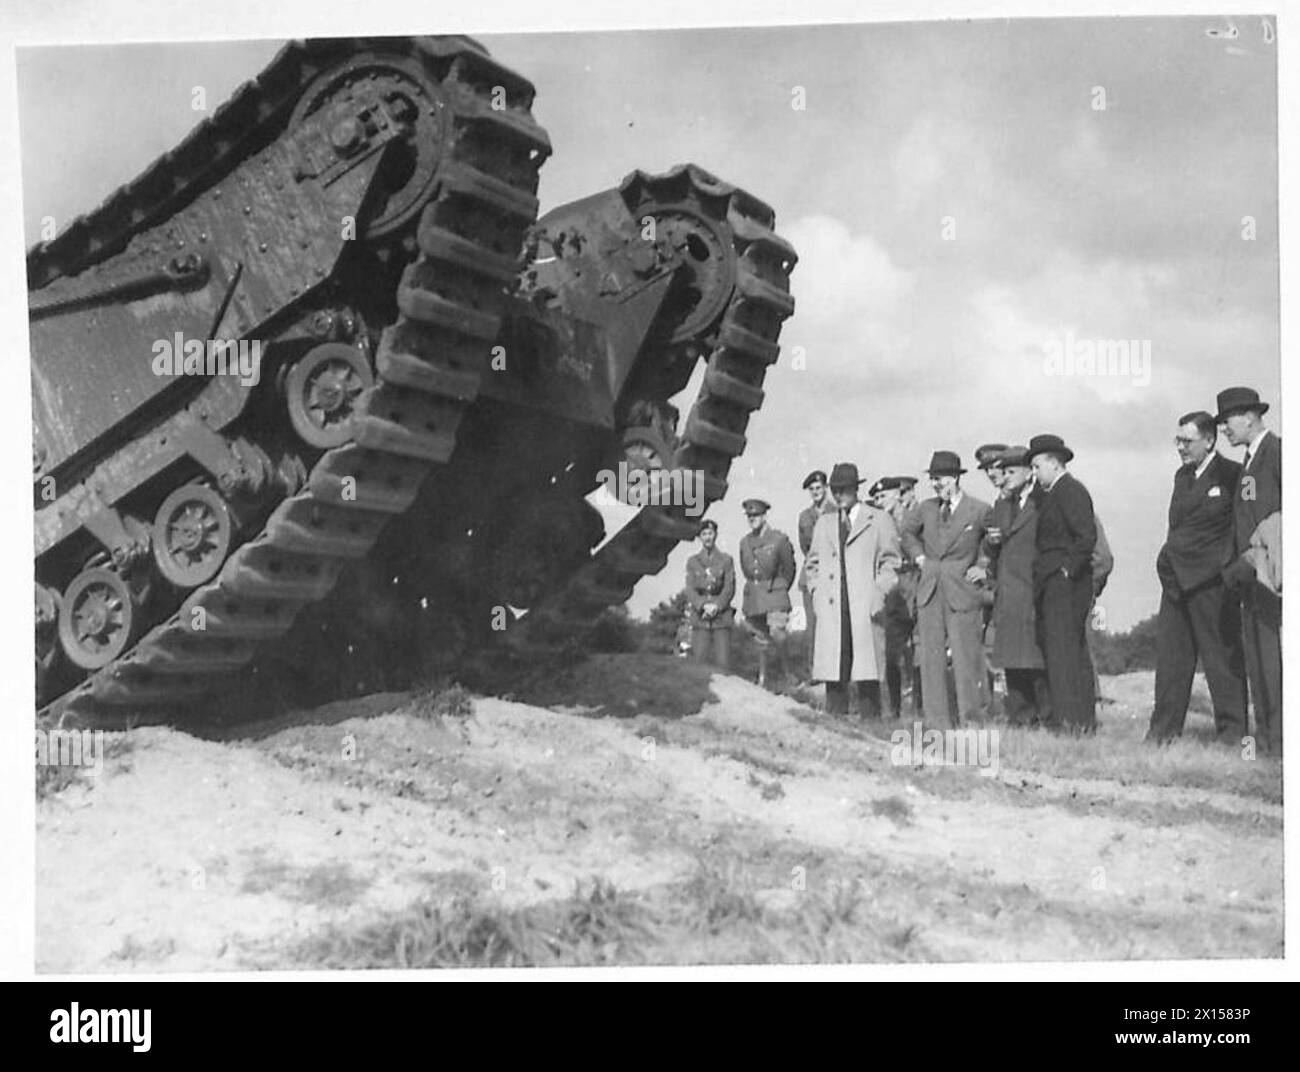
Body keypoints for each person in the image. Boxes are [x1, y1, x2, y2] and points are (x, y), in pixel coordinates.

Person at [1145, 411, 1245, 744]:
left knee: (1221, 661)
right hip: (1176, 582)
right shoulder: (1181, 476)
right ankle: (1162, 733)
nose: (1181, 448)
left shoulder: (1233, 474)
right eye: (1178, 441)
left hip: (1212, 583)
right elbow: (1177, 527)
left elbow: (1239, 528)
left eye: (1187, 441)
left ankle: (1233, 736)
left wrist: (1227, 569)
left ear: (1209, 440)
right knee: (1172, 662)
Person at [901, 451, 992, 727]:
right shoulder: (925, 509)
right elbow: (906, 533)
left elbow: (992, 543)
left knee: (966, 659)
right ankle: (937, 722)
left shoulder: (979, 510)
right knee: (931, 659)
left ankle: (971, 721)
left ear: (954, 479)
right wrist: (919, 558)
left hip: (962, 592)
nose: (935, 485)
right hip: (929, 591)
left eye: (939, 479)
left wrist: (983, 567)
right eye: (932, 480)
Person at [1217, 386, 1282, 756]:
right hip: (1248, 579)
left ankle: (1283, 745)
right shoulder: (1247, 463)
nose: (1224, 429)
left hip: (1272, 578)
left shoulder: (1279, 453)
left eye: (1227, 421)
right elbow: (1240, 520)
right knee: (1259, 665)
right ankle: (1271, 746)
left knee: (1276, 663)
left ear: (1249, 417)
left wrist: (1263, 555)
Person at [807, 464, 901, 717]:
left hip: (864, 605)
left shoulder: (878, 520)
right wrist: (816, 593)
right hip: (833, 607)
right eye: (835, 490)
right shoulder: (824, 523)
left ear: (855, 489)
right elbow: (812, 564)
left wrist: (879, 593)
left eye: (844, 490)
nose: (838, 495)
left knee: (867, 670)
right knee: (834, 672)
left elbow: (891, 562)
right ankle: (836, 727)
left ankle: (871, 726)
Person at [1029, 434, 1097, 733]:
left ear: (1055, 463)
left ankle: (1072, 722)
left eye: (1037, 466)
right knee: (1060, 652)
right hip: (1053, 580)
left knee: (1065, 653)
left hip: (1064, 583)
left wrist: (1067, 570)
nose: (1034, 473)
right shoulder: (1050, 494)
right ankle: (1074, 720)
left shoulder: (1071, 490)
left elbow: (1085, 536)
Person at [982, 447, 1050, 725]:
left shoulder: (1042, 501)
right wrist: (992, 542)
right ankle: (1021, 716)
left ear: (1027, 472)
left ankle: (1046, 715)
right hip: (1008, 592)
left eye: (1011, 472)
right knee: (1012, 659)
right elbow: (992, 549)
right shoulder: (1003, 505)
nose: (1004, 478)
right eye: (1004, 472)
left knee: (1035, 660)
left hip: (1031, 588)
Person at [871, 477, 919, 717]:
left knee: (919, 651)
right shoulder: (880, 524)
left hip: (917, 585)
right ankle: (894, 708)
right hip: (893, 590)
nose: (880, 502)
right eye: (877, 498)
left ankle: (920, 707)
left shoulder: (916, 517)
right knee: (892, 653)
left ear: (897, 495)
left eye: (884, 496)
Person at [738, 498, 797, 689]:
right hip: (755, 597)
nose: (752, 519)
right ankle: (763, 679)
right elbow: (746, 569)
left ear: (764, 516)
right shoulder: (745, 542)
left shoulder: (778, 539)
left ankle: (788, 674)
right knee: (760, 639)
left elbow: (789, 569)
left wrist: (780, 588)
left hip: (775, 594)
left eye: (756, 515)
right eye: (749, 516)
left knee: (777, 632)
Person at [684, 518, 736, 672]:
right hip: (700, 618)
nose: (708, 537)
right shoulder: (693, 562)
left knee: (723, 664)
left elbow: (729, 587)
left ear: (716, 535)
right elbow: (690, 589)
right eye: (704, 534)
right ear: (700, 537)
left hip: (721, 617)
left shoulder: (726, 560)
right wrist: (703, 605)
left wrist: (717, 606)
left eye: (710, 533)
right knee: (699, 664)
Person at [796, 470, 835, 678]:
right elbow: (805, 546)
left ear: (826, 488)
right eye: (811, 490)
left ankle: (834, 671)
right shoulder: (805, 516)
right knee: (813, 625)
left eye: (818, 488)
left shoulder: (836, 511)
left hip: (834, 574)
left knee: (833, 624)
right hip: (812, 575)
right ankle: (814, 672)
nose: (815, 492)